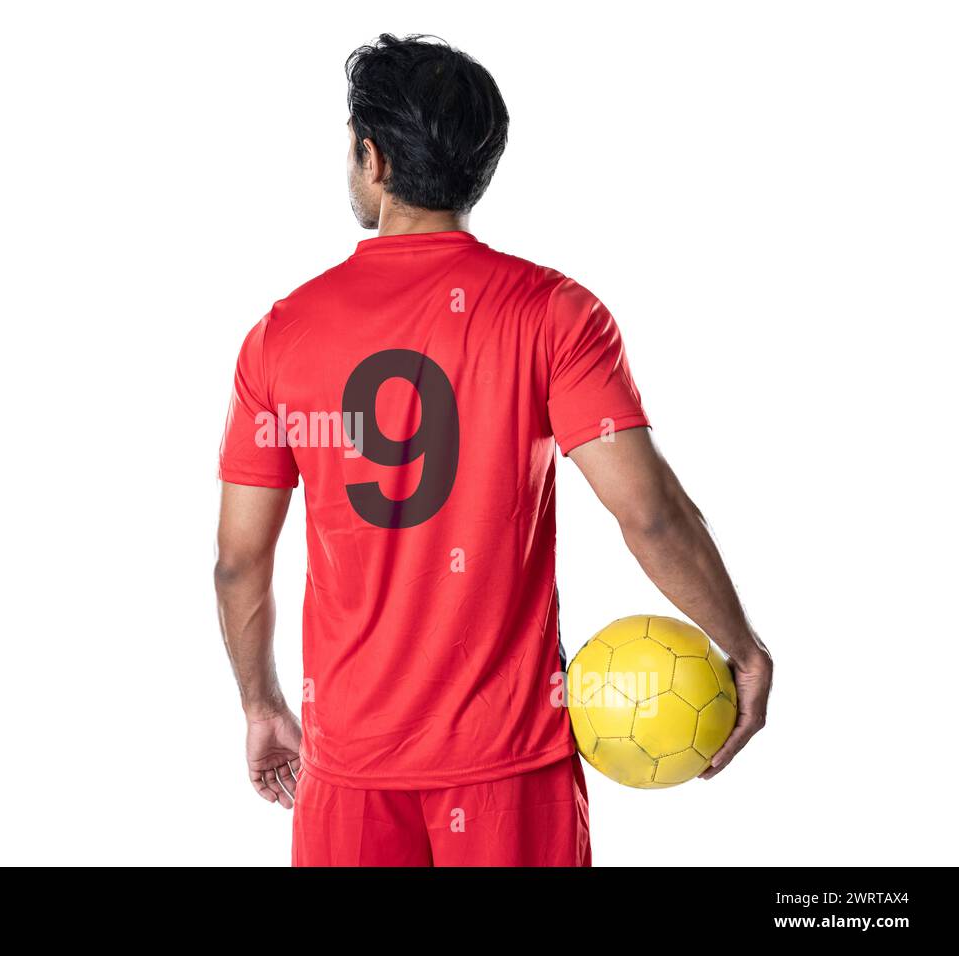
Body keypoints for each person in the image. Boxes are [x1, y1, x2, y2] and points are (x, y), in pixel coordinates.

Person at [214, 33, 772, 867]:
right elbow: (650, 515)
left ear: (373, 158)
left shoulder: (282, 335)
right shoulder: (555, 314)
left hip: (353, 772)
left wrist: (262, 706)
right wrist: (743, 645)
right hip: (511, 766)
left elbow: (238, 562)